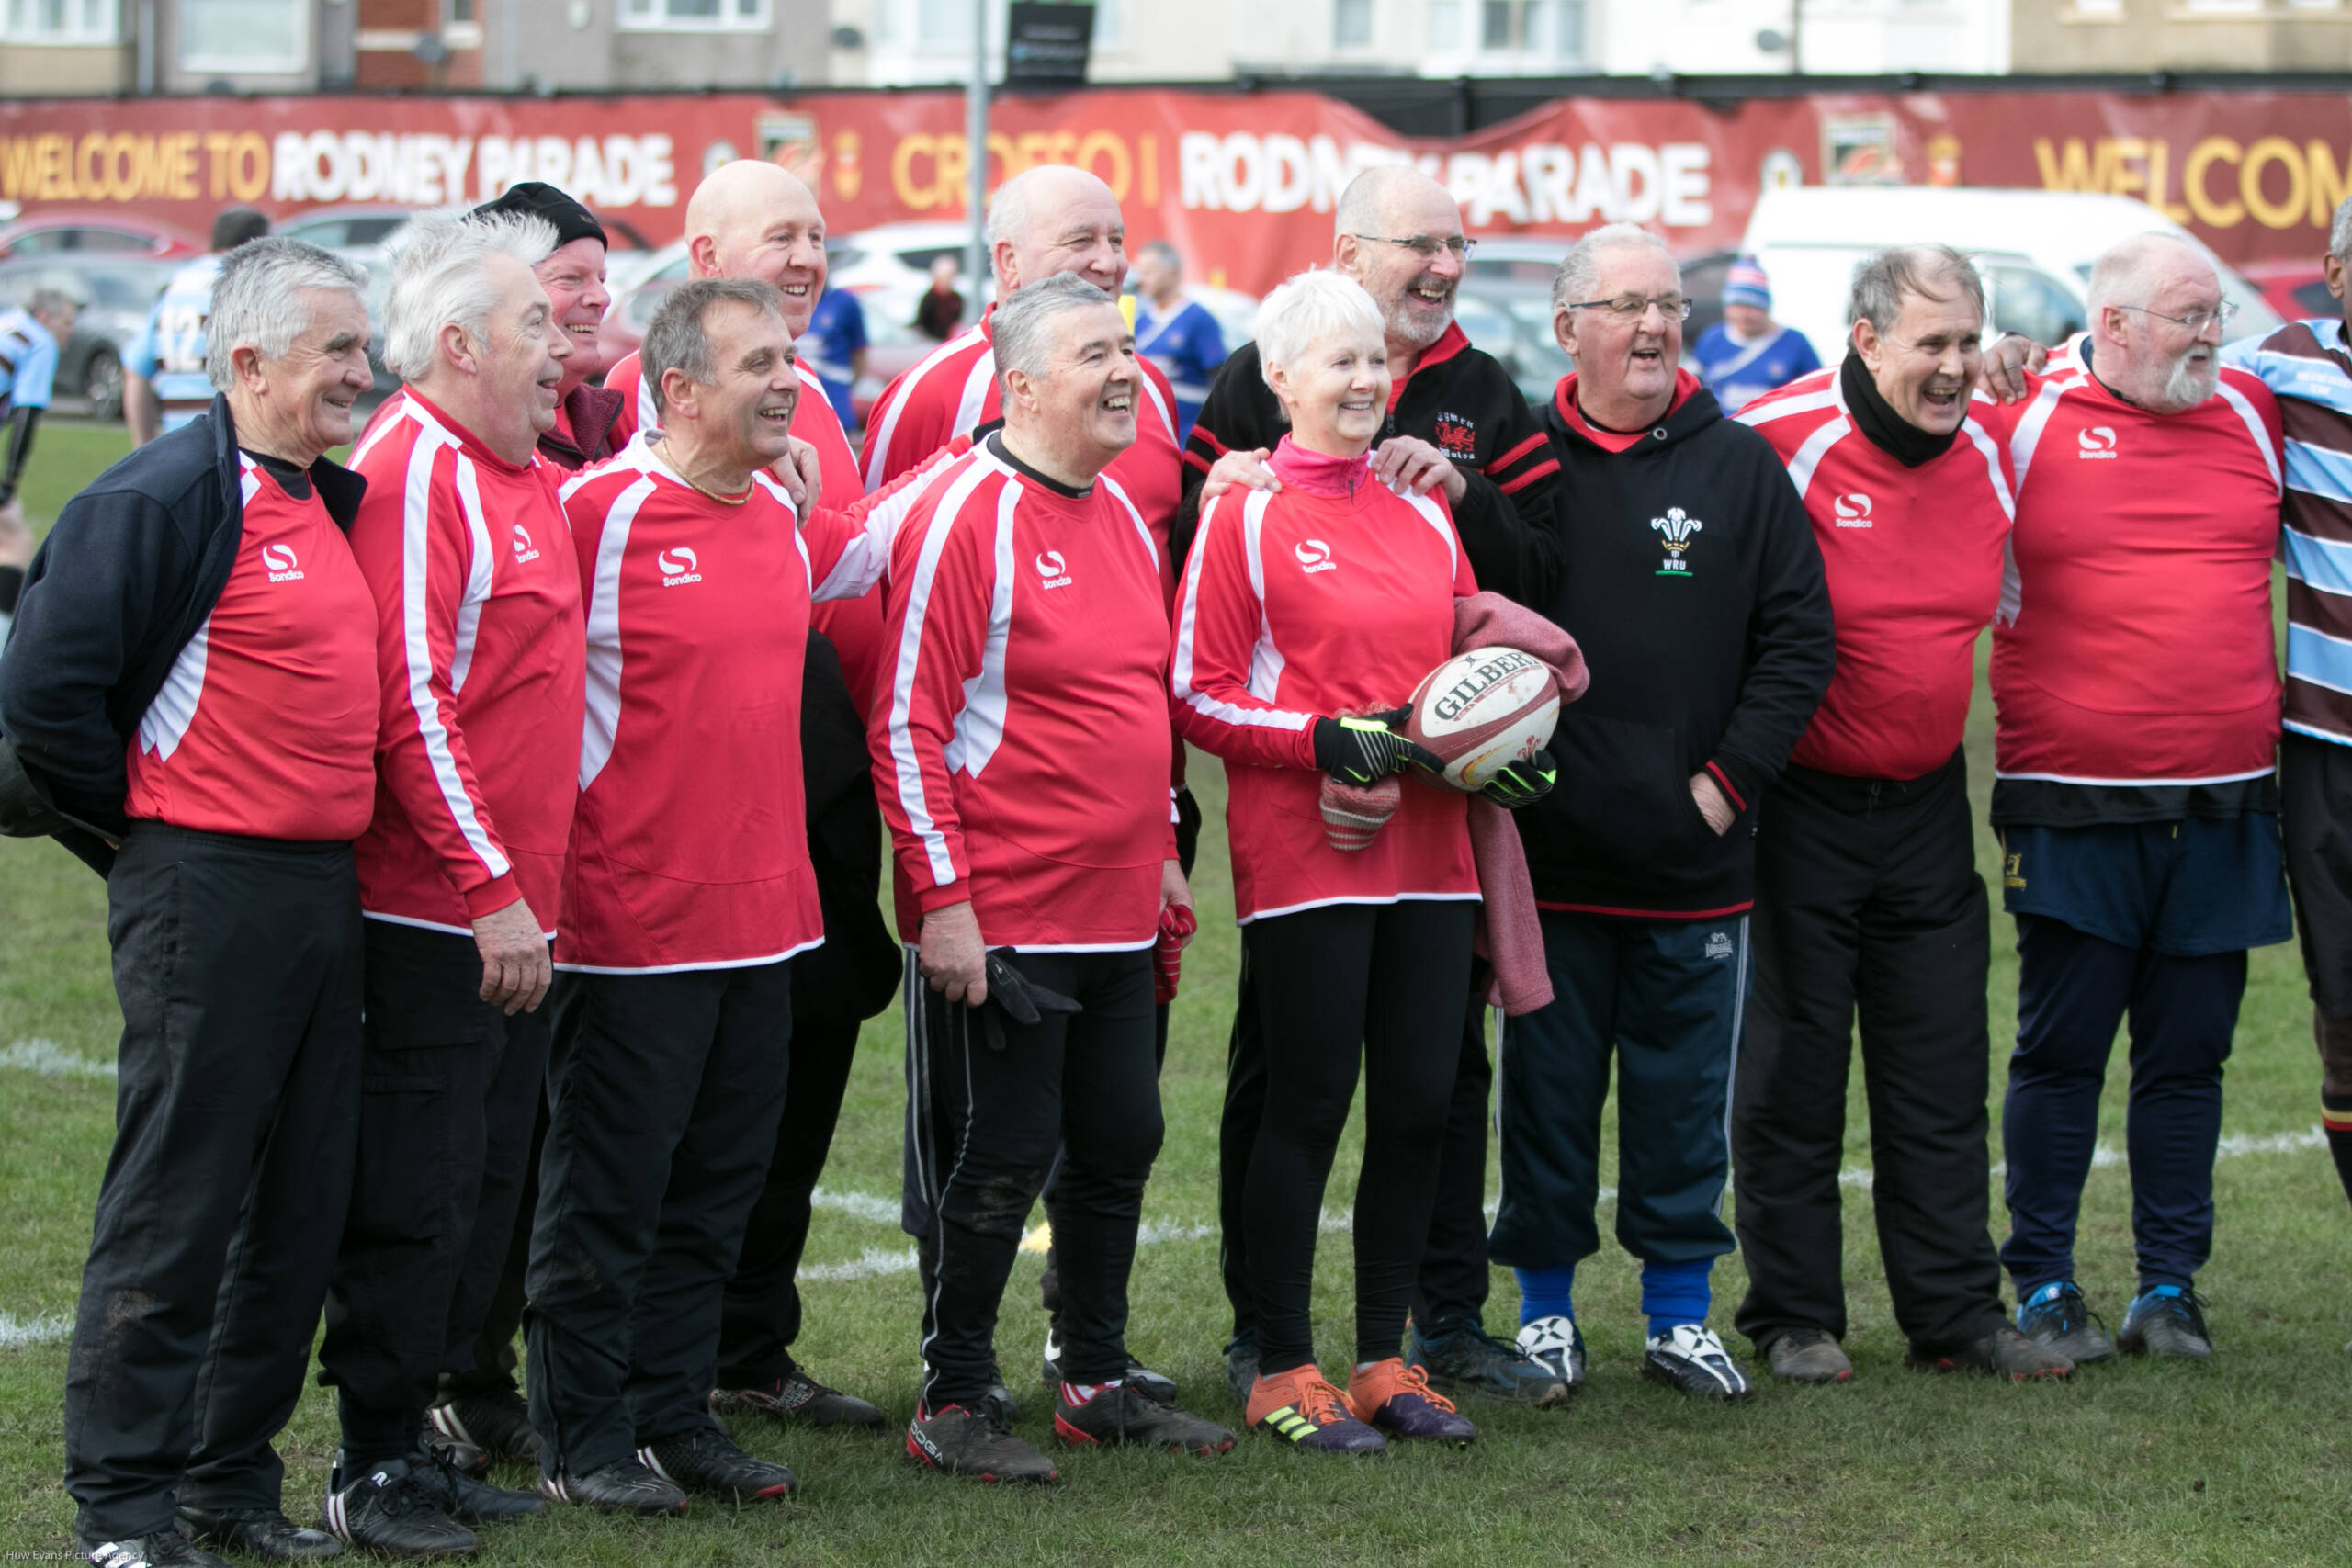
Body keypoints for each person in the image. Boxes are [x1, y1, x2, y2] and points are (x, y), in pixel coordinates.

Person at [0, 239, 379, 1568]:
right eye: (333, 347)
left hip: (324, 891)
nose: (358, 367)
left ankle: (229, 1480)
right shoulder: (159, 496)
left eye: (361, 341)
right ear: (247, 363)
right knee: (180, 1197)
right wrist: (149, 830)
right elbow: (43, 700)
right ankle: (123, 1506)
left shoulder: (336, 496)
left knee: (296, 1202)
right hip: (207, 888)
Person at [1182, 164, 1566, 1410]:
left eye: (1373, 366)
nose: (1360, 380)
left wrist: (1508, 745)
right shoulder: (1240, 509)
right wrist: (1317, 741)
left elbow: (1464, 679)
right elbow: (1195, 695)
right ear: (1279, 378)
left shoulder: (1421, 513)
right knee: (1305, 1104)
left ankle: (1387, 1354)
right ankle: (1282, 1362)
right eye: (1332, 362)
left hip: (1436, 854)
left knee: (1416, 1102)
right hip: (1310, 854)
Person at [529, 278, 906, 1513]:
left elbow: (913, 526)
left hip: (770, 924)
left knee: (715, 1196)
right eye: (758, 363)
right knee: (609, 1192)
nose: (787, 381)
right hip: (629, 927)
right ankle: (582, 1434)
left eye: (789, 358)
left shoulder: (780, 518)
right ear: (678, 387)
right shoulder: (601, 512)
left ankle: (676, 1415)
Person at [877, 273, 1235, 1483]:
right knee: (1006, 1144)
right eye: (1097, 352)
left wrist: (1169, 854)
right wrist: (947, 905)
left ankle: (1091, 1374)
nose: (1128, 370)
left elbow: (1139, 703)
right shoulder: (963, 517)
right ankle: (955, 1392)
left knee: (1123, 1131)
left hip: (1121, 900)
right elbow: (906, 727)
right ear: (1021, 382)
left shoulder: (1126, 515)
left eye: (1129, 346)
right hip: (1012, 906)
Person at [1493, 223, 1834, 1403]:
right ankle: (1543, 1316)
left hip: (1695, 857)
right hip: (1549, 858)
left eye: (1669, 306)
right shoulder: (1519, 462)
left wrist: (1724, 781)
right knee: (1543, 1098)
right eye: (1628, 304)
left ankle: (1678, 1316)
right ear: (1567, 324)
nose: (1653, 327)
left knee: (1685, 1101)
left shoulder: (1737, 466)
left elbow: (1799, 639)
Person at [1731, 245, 2069, 1384]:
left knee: (1938, 1061)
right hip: (1796, 808)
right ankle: (1792, 1316)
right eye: (1932, 343)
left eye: (1970, 341)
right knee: (1793, 1069)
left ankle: (1955, 1316)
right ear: (1866, 340)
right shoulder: (1778, 441)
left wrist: (2023, 363)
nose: (1955, 367)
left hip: (1928, 806)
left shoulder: (1992, 445)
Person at [302, 211, 578, 1556]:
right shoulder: (421, 469)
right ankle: (368, 1464)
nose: (563, 340)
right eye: (536, 321)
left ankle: (420, 1434)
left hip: (515, 912)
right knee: (413, 1192)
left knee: (476, 1188)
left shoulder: (522, 466)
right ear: (459, 345)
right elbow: (409, 700)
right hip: (436, 916)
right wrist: (488, 886)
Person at [1974, 233, 2287, 1364]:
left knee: (2188, 1057)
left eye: (2215, 314)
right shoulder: (2017, 412)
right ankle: (2045, 1284)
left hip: (2225, 803)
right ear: (2109, 326)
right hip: (2070, 801)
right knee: (2061, 1054)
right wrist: (1987, 358)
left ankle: (2169, 1287)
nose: (2212, 335)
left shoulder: (2252, 407)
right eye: (2187, 317)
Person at [2222, 197, 2352, 1230]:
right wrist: (2017, 357)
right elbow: (2146, 354)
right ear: (2333, 272)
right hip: (2324, 752)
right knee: (2343, 1007)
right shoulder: (2279, 366)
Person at [362, 183, 623, 474]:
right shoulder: (438, 441)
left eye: (601, 278)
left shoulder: (615, 416)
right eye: (571, 278)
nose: (602, 297)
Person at [126, 207, 272, 446]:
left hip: (177, 436)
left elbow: (135, 370)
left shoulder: (176, 283)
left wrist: (143, 445)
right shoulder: (246, 281)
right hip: (233, 434)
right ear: (259, 244)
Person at [0, 285, 77, 644]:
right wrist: (9, 485)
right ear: (44, 318)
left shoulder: (10, 323)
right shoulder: (40, 342)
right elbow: (27, 416)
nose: (69, 331)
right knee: (14, 537)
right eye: (66, 322)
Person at [1687, 256, 1821, 415]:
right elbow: (1691, 387)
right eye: (1737, 306)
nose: (1743, 316)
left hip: (1772, 432)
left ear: (1765, 307)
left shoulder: (1796, 343)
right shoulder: (1712, 338)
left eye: (1751, 307)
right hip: (1720, 430)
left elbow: (1817, 393)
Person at [1131, 239, 1225, 440]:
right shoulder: (1141, 321)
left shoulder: (1198, 319)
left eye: (1148, 272)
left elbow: (1219, 375)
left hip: (1185, 433)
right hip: (1147, 433)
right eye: (1139, 272)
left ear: (1172, 272)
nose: (1141, 279)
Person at [800, 281, 867, 431]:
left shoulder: (845, 301)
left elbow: (860, 351)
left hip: (836, 401)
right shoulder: (785, 300)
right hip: (800, 407)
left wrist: (849, 383)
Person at [915, 253, 965, 341]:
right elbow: (922, 324)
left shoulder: (956, 299)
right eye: (946, 277)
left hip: (949, 339)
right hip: (930, 340)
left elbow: (957, 322)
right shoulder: (929, 299)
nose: (949, 281)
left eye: (951, 277)